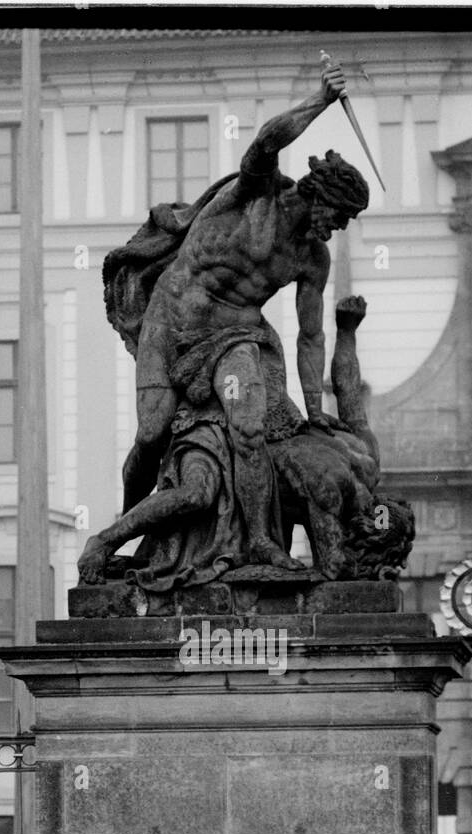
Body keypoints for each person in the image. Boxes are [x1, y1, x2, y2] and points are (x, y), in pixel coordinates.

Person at [94, 58, 370, 576]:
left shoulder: (313, 257)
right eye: (337, 216)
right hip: (171, 324)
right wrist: (320, 99)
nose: (336, 229)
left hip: (237, 337)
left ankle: (263, 542)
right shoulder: (257, 196)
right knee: (152, 435)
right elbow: (266, 141)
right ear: (318, 195)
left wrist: (314, 410)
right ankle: (132, 528)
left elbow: (311, 335)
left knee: (248, 426)